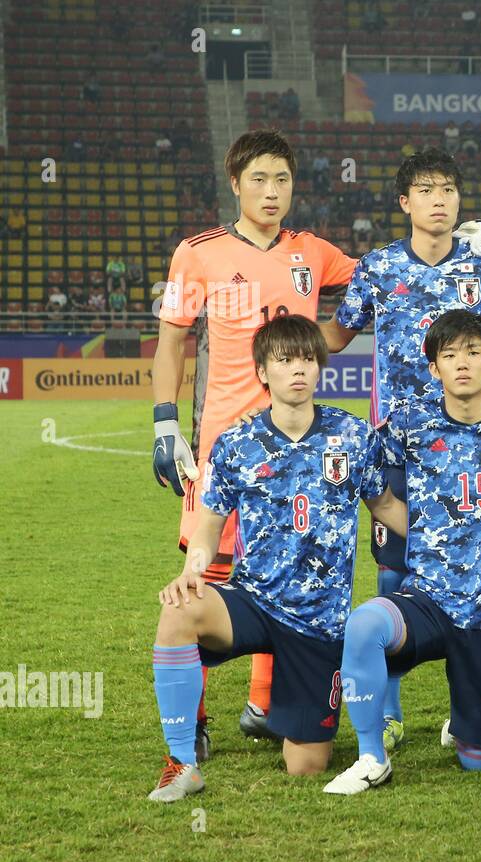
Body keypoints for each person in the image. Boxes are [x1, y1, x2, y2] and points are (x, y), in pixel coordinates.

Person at [151, 129, 358, 754]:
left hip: (295, 441)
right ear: (235, 182)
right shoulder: (198, 252)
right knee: (207, 570)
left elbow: (384, 284)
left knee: (290, 569)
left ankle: (266, 705)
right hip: (221, 445)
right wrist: (165, 420)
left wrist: (459, 249)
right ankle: (196, 721)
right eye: (260, 179)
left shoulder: (313, 252)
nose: (272, 192)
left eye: (283, 180)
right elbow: (172, 342)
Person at [145, 315, 401, 802]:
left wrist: (450, 535)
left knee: (305, 767)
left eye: (306, 359)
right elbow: (209, 527)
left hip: (319, 621)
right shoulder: (237, 444)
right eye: (284, 361)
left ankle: (286, 712)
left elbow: (385, 507)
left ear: (320, 367)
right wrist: (190, 574)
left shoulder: (352, 435)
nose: (297, 370)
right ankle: (182, 762)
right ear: (263, 372)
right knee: (178, 609)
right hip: (254, 601)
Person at [318, 148, 481, 752]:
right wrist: (279, 345)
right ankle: (392, 711)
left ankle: (467, 708)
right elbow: (339, 333)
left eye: (448, 190)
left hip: (471, 449)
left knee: (478, 576)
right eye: (426, 191)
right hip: (400, 448)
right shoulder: (376, 269)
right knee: (396, 571)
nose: (439, 200)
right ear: (405, 203)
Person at [323, 311, 481, 793]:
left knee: (479, 758)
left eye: (472, 353)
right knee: (364, 624)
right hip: (428, 599)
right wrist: (424, 531)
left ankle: (468, 724)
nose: (461, 364)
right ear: (433, 369)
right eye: (449, 356)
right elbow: (366, 476)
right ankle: (371, 756)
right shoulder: (410, 422)